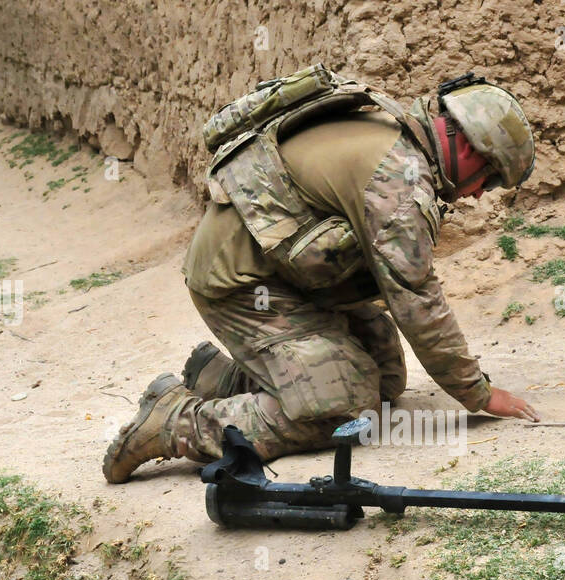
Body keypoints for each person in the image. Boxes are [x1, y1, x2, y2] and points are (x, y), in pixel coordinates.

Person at [103, 69, 540, 484]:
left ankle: (221, 378)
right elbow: (416, 300)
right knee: (348, 410)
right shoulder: (400, 182)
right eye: (490, 178)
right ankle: (175, 422)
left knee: (383, 371)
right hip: (241, 286)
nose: (481, 193)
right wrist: (478, 394)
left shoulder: (393, 135)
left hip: (279, 276)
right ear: (469, 150)